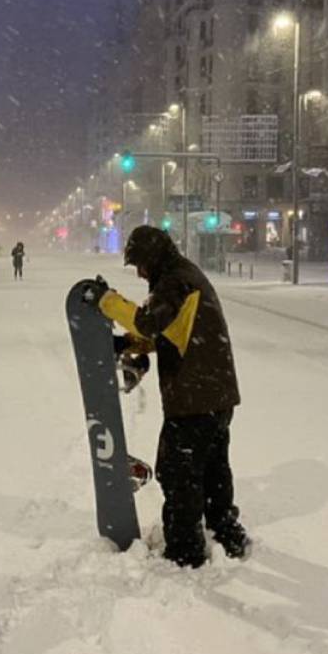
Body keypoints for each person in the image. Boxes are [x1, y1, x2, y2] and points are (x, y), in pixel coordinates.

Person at [91, 225, 249, 567]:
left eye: (139, 264)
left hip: (195, 397)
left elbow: (149, 322)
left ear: (151, 258)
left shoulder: (176, 280)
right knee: (212, 469)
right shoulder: (184, 275)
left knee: (177, 473)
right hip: (216, 395)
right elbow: (171, 330)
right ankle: (226, 533)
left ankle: (184, 550)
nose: (139, 272)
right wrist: (130, 344)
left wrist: (108, 302)